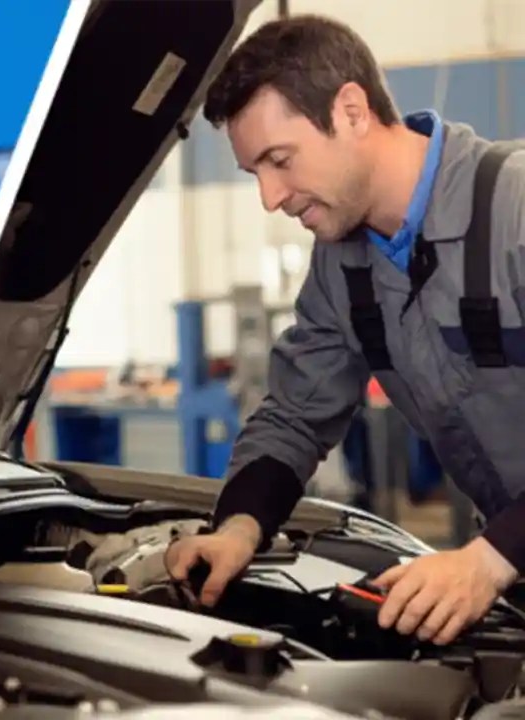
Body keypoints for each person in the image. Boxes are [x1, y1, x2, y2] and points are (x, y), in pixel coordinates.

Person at [164, 14, 525, 648]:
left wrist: (491, 558)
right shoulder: (343, 267)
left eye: (280, 161)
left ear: (352, 112)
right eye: (255, 173)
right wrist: (239, 528)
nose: (270, 197)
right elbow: (295, 414)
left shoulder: (514, 209)